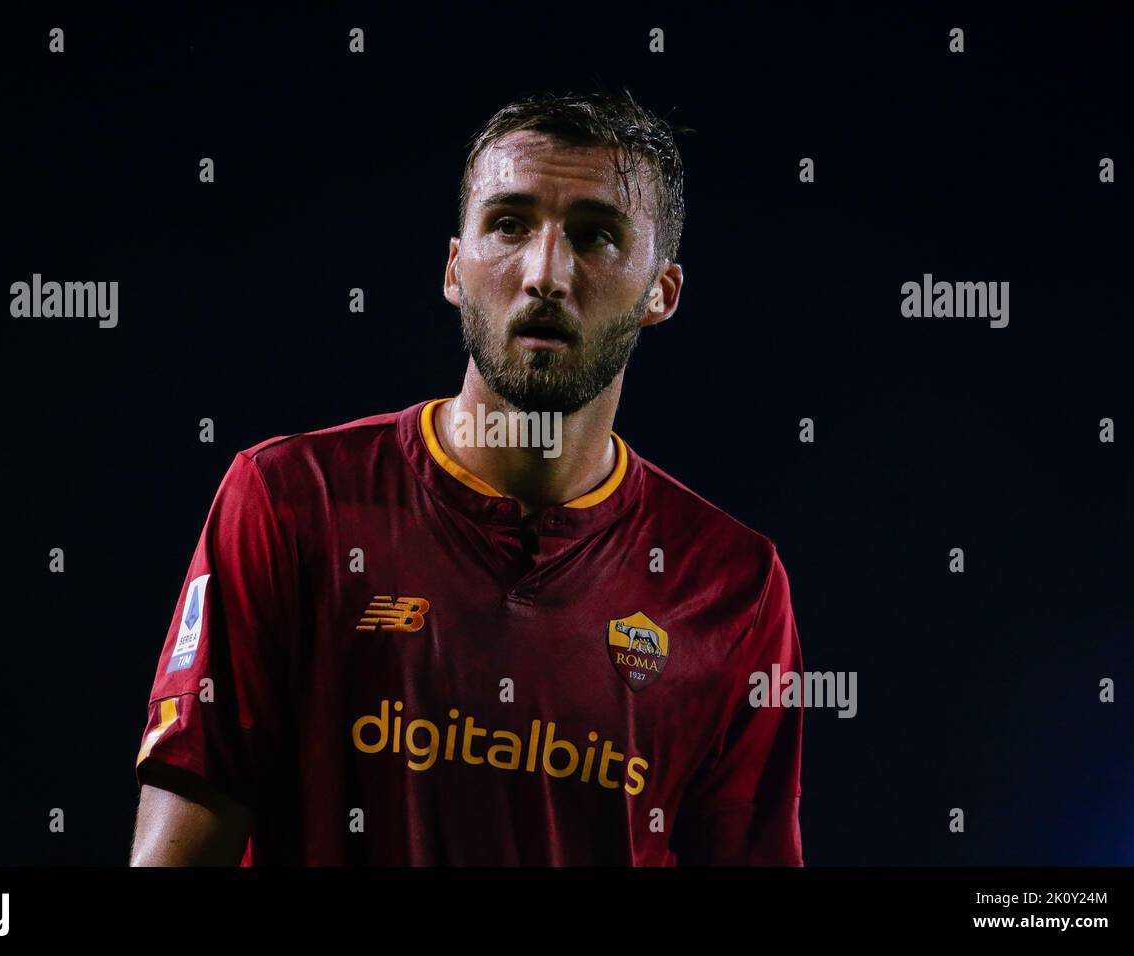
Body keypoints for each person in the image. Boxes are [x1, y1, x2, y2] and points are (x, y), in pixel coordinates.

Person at [130, 89, 804, 866]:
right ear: (455, 268)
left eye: (596, 236)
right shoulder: (290, 502)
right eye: (510, 225)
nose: (546, 273)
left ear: (662, 291)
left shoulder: (734, 585)